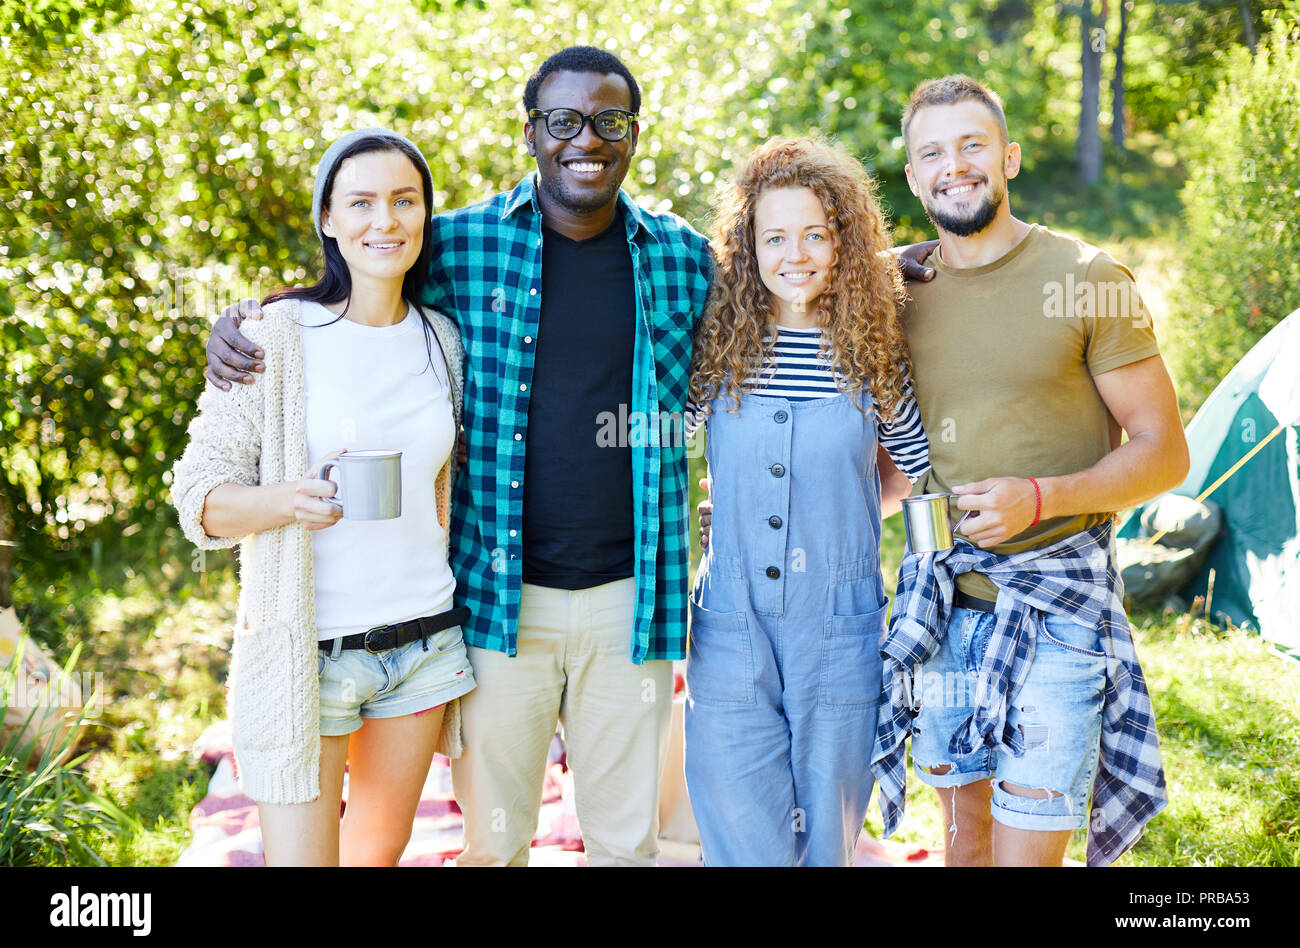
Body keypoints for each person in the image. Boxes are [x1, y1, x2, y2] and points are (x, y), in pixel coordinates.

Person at [202, 47, 939, 867]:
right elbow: (362, 274)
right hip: (495, 602)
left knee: (626, 846)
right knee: (493, 845)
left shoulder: (679, 257)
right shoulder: (459, 244)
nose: (585, 138)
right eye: (564, 121)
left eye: (609, 121)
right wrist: (251, 317)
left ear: (632, 134)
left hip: (633, 600)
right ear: (532, 133)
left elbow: (781, 269)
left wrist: (881, 263)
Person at [872, 75, 1189, 866]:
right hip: (943, 609)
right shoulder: (894, 292)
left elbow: (1164, 450)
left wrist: (1043, 497)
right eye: (932, 153)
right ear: (912, 177)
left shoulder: (1088, 279)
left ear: (1008, 157)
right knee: (963, 845)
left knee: (1025, 858)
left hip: (1060, 615)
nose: (955, 166)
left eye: (973, 145)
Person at [171, 129, 476, 866]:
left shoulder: (443, 340)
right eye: (362, 202)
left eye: (405, 202)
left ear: (425, 218)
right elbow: (197, 499)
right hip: (308, 653)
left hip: (424, 644)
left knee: (377, 852)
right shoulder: (271, 336)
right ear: (328, 220)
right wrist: (286, 502)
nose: (386, 221)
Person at [683, 137, 929, 866]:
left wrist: (848, 517)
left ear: (843, 243)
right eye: (775, 236)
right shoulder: (720, 350)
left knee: (826, 836)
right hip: (730, 621)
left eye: (816, 234)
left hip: (840, 625)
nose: (796, 254)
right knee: (740, 831)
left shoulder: (873, 354)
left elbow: (920, 465)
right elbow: (665, 451)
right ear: (747, 247)